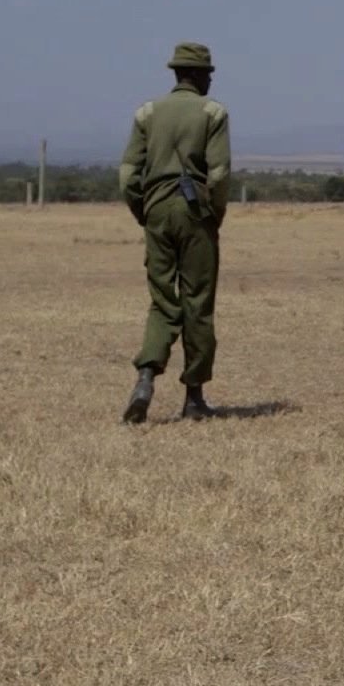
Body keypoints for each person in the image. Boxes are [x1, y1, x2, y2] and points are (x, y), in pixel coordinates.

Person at [118, 41, 231, 422]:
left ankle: (146, 378)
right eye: (209, 74)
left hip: (156, 211)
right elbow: (218, 174)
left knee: (162, 301)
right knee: (197, 302)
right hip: (195, 212)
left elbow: (128, 173)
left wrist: (143, 210)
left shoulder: (147, 113)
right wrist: (214, 215)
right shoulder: (213, 113)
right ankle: (194, 398)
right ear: (199, 76)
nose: (211, 80)